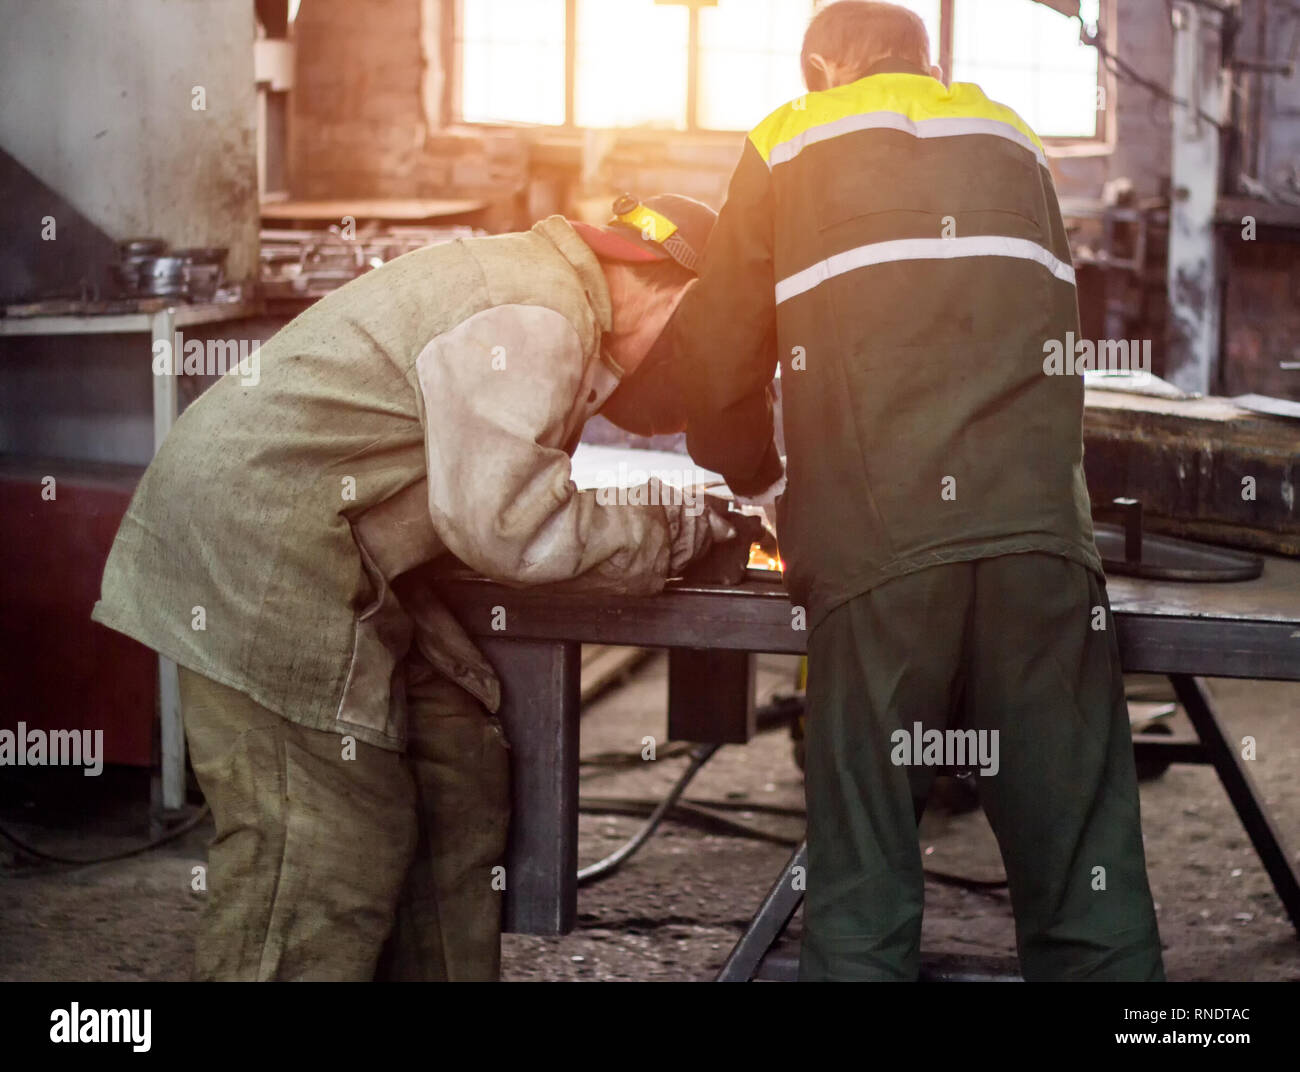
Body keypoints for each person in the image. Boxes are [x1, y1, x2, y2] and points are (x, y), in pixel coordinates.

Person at [92, 193, 728, 980]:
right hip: (260, 550)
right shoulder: (538, 313)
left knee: (455, 773)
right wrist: (665, 532)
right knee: (327, 846)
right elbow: (506, 525)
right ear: (677, 291)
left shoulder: (547, 293)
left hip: (344, 548)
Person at [671, 1, 1164, 981]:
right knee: (1082, 872)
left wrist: (758, 477)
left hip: (876, 554)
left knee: (865, 877)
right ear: (924, 61)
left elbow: (712, 356)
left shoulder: (786, 139)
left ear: (820, 64)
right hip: (1043, 551)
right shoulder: (1014, 140)